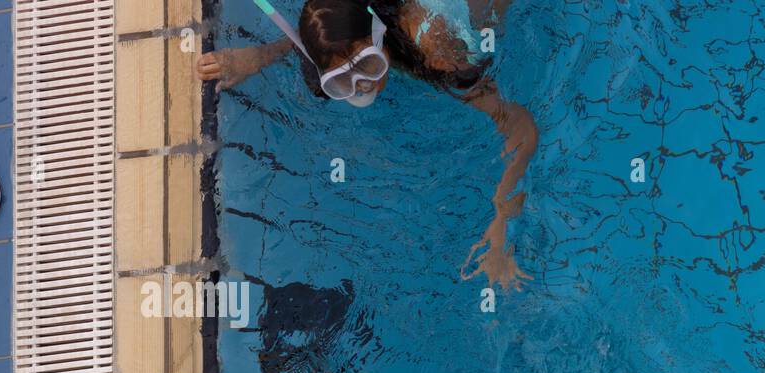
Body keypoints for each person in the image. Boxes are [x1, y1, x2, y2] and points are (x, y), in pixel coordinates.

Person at [197, 0, 538, 289]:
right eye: (342, 81)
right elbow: (327, 29)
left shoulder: (436, 53)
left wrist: (501, 217)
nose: (363, 86)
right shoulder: (355, 15)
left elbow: (520, 128)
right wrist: (261, 55)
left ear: (378, 34)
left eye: (368, 65)